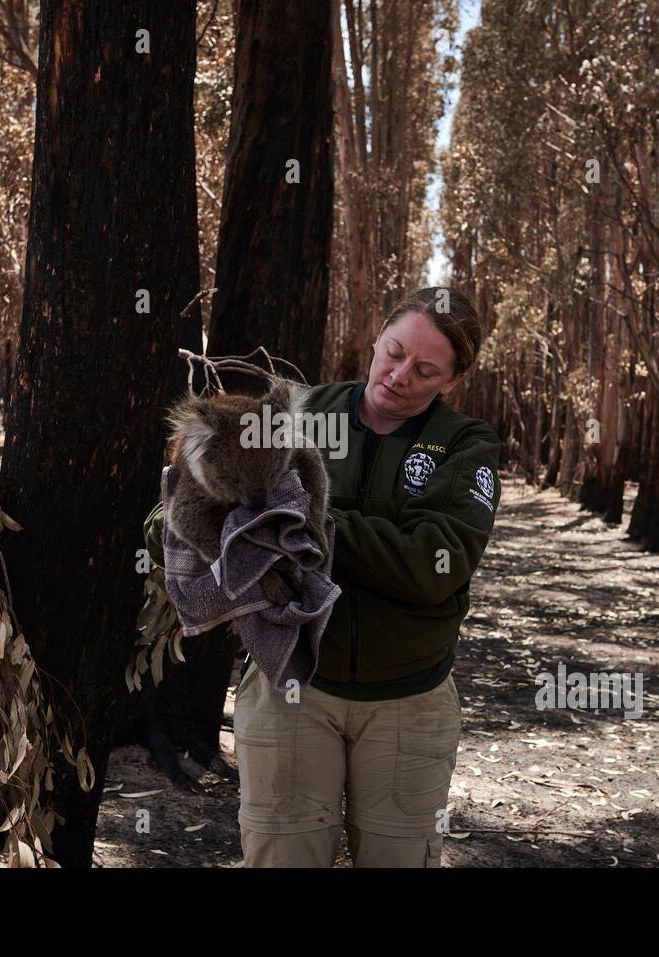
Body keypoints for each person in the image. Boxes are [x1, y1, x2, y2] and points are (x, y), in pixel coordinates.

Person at [142, 286, 501, 867]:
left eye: (425, 369)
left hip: (407, 700)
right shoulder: (302, 413)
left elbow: (436, 565)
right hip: (291, 685)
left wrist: (307, 519)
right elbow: (209, 497)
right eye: (393, 351)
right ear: (377, 338)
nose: (399, 375)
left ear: (452, 381)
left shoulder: (465, 447)